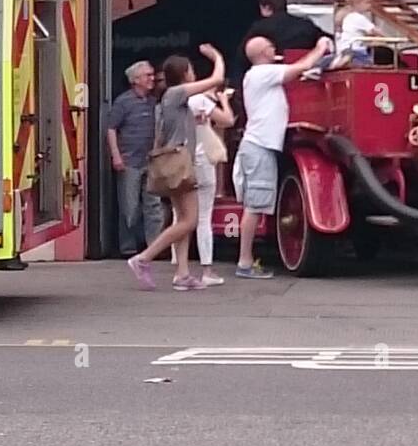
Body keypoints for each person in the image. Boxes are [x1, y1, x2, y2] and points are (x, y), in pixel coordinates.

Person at [127, 45, 226, 291]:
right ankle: (144, 257)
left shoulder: (167, 100)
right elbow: (216, 79)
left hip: (172, 164)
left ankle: (182, 273)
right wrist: (217, 57)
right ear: (183, 73)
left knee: (181, 218)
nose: (193, 73)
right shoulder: (176, 94)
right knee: (190, 220)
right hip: (181, 164)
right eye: (191, 69)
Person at [235, 34, 328, 278]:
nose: (274, 48)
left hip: (260, 144)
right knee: (254, 206)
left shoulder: (258, 76)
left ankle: (245, 261)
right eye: (270, 46)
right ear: (263, 53)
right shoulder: (261, 73)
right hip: (260, 145)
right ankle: (244, 262)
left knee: (255, 205)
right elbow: (302, 67)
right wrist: (319, 47)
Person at [107, 60, 163, 257]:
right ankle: (128, 248)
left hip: (151, 160)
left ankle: (153, 247)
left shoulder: (153, 102)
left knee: (153, 205)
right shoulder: (123, 102)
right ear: (135, 80)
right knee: (129, 207)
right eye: (148, 75)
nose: (152, 78)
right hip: (129, 161)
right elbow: (111, 128)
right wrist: (116, 156)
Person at [189, 84, 236, 286]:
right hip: (202, 160)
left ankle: (180, 265)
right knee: (203, 217)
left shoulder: (174, 101)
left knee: (182, 216)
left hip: (182, 160)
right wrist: (224, 101)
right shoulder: (200, 101)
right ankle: (207, 269)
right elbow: (227, 120)